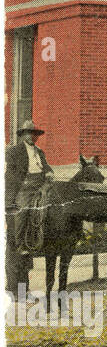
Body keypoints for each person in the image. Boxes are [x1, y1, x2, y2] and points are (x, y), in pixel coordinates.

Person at [5, 120, 53, 294]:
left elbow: (46, 167)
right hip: (24, 186)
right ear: (23, 135)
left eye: (34, 134)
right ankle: (20, 244)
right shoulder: (15, 151)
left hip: (41, 185)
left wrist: (49, 173)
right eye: (28, 133)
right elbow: (10, 173)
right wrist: (21, 184)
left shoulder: (40, 152)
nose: (32, 136)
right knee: (23, 209)